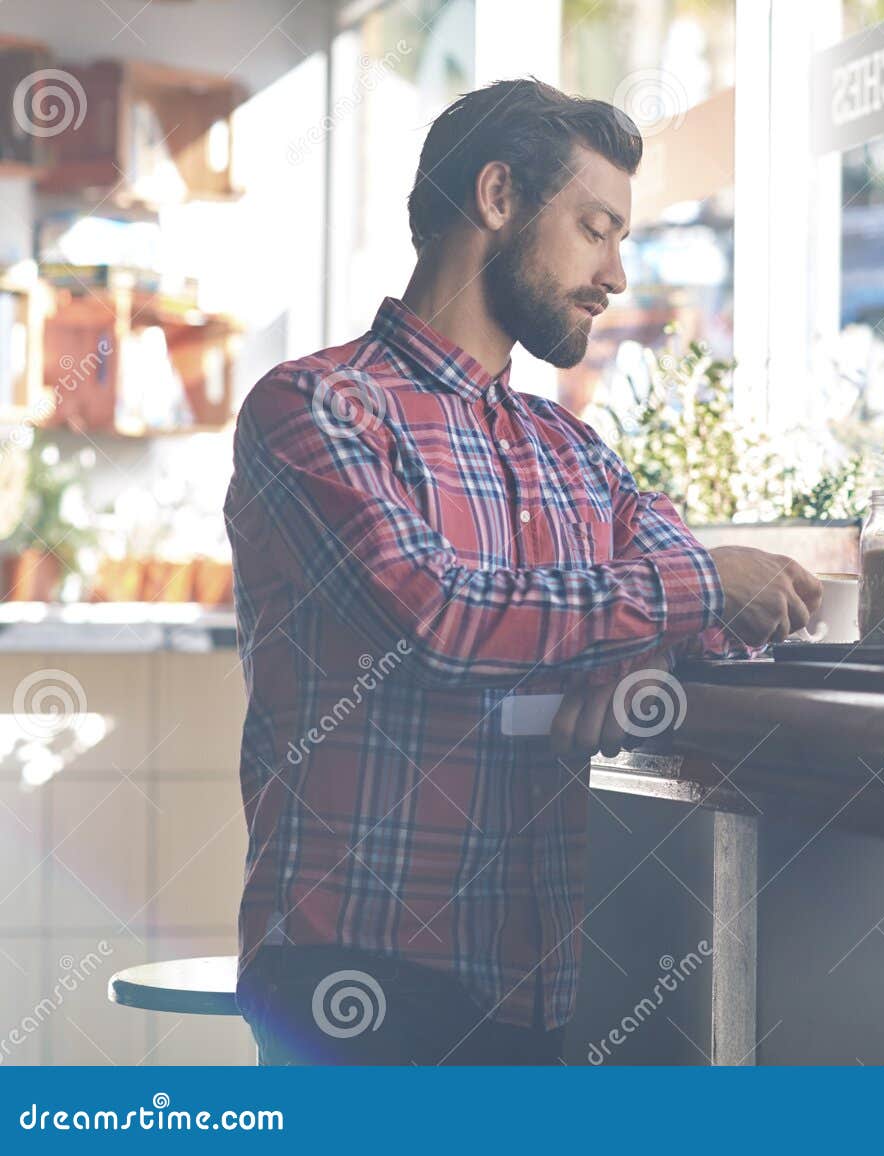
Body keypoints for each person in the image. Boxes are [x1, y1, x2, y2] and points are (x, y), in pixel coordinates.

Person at [223, 77, 821, 1065]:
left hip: (535, 982)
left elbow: (700, 611)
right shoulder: (317, 408)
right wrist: (698, 591)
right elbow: (439, 615)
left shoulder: (572, 450)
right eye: (595, 229)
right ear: (498, 197)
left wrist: (635, 664)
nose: (615, 274)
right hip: (353, 982)